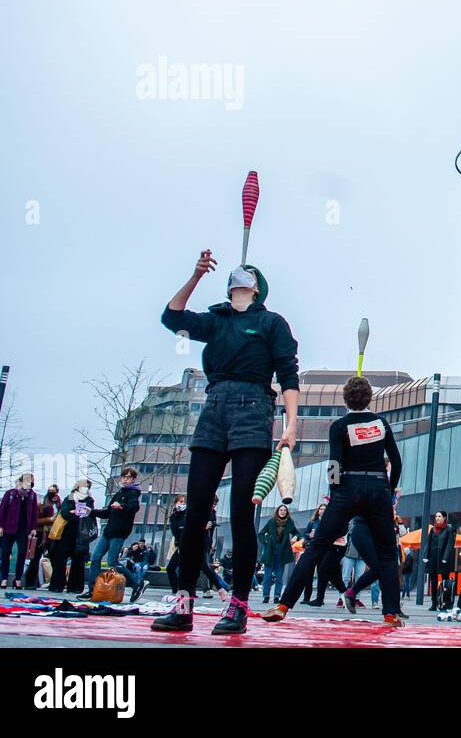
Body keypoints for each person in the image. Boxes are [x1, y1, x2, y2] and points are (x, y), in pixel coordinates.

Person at [152, 252, 300, 635]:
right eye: (233, 279)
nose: (237, 282)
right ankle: (183, 603)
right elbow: (172, 317)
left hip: (253, 410)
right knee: (196, 510)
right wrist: (196, 275)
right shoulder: (216, 320)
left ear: (257, 288)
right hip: (215, 408)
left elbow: (288, 374)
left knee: (240, 514)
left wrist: (291, 425)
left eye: (245, 278)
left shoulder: (271, 323)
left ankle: (237, 606)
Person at [261, 375, 403, 626]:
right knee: (388, 552)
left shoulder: (339, 426)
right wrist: (388, 494)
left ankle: (284, 604)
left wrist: (336, 493)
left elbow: (335, 465)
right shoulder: (381, 424)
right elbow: (397, 462)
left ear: (345, 399)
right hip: (378, 487)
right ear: (370, 398)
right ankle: (390, 613)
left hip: (348, 487)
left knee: (317, 546)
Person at [79, 467, 142, 599]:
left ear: (133, 479)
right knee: (95, 557)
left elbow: (134, 507)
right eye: (123, 477)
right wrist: (92, 511)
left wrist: (121, 506)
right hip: (108, 531)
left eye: (128, 477)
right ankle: (92, 590)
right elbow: (107, 512)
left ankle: (137, 583)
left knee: (113, 562)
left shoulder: (133, 493)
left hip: (119, 532)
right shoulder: (119, 493)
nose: (125, 479)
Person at [0, 473, 39, 589]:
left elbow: (35, 513)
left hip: (23, 529)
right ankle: (4, 579)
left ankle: (18, 579)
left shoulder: (32, 496)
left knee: (22, 554)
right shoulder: (11, 493)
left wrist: (33, 528)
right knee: (5, 553)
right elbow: (2, 510)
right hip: (9, 528)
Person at [257, 504, 300, 604]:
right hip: (270, 552)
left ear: (286, 512)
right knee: (267, 577)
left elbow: (297, 533)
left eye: (284, 510)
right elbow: (261, 534)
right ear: (277, 511)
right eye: (281, 510)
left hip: (282, 553)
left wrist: (295, 537)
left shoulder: (289, 522)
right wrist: (266, 541)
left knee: (279, 577)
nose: (282, 511)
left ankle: (277, 596)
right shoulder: (272, 521)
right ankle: (266, 596)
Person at [22, 485, 60, 589]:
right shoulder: (41, 505)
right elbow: (35, 521)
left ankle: (56, 583)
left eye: (54, 491)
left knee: (55, 558)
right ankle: (30, 583)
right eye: (50, 490)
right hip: (41, 533)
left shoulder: (59, 505)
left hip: (54, 533)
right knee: (36, 558)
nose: (51, 493)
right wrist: (49, 520)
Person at [422, 511, 456, 611]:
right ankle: (434, 604)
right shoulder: (433, 529)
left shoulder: (449, 529)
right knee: (433, 581)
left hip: (443, 559)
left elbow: (450, 544)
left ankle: (444, 603)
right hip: (432, 558)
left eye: (439, 516)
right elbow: (428, 543)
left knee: (445, 581)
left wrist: (445, 557)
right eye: (436, 516)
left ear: (444, 518)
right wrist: (425, 555)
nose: (437, 518)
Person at [300, 502, 329, 604]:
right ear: (318, 511)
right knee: (309, 574)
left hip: (324, 551)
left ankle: (320, 598)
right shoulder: (313, 522)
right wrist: (309, 535)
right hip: (312, 549)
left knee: (322, 574)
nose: (322, 511)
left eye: (325, 509)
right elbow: (305, 533)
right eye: (321, 509)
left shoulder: (329, 522)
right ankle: (306, 598)